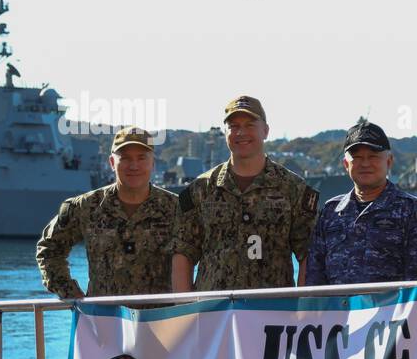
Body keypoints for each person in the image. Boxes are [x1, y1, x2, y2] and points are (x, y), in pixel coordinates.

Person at [172, 95, 318, 292]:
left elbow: (308, 254)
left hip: (273, 312)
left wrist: (301, 311)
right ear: (225, 133)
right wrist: (186, 313)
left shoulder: (293, 189)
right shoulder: (201, 190)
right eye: (233, 126)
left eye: (250, 125)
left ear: (265, 131)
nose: (241, 132)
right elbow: (183, 253)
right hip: (214, 314)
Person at [36, 126, 178, 298]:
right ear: (112, 162)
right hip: (104, 319)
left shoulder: (176, 208)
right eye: (125, 158)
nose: (134, 166)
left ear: (153, 163)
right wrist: (71, 294)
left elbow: (204, 252)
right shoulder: (87, 206)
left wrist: (190, 300)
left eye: (141, 158)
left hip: (162, 319)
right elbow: (49, 248)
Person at [305, 121, 417, 285]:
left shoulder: (411, 210)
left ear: (389, 161)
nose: (365, 163)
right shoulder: (330, 212)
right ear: (346, 165)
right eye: (357, 157)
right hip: (338, 310)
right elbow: (315, 275)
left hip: (391, 310)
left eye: (373, 156)